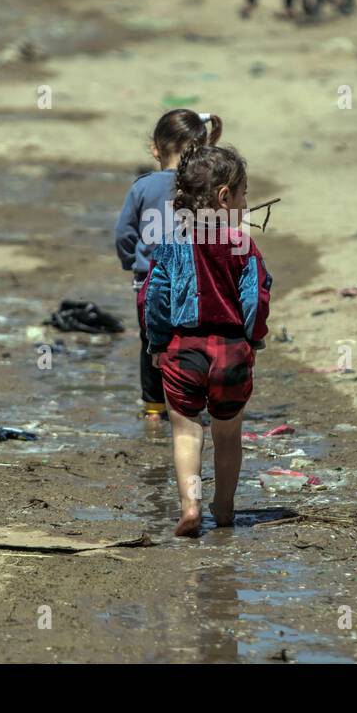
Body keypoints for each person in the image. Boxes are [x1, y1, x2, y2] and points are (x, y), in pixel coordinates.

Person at [142, 145, 272, 536]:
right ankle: (226, 508)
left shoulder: (172, 241)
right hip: (231, 350)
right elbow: (256, 298)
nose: (247, 203)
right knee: (228, 436)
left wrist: (158, 345)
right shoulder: (242, 244)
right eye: (244, 193)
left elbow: (156, 298)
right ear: (224, 197)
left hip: (183, 351)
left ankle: (191, 506)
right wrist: (253, 340)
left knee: (186, 432)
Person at [115, 109, 224, 428]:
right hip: (194, 281)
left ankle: (153, 410)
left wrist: (132, 263)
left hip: (148, 281)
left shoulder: (143, 187)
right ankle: (191, 404)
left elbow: (124, 233)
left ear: (155, 147)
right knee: (192, 339)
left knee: (152, 343)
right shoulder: (205, 188)